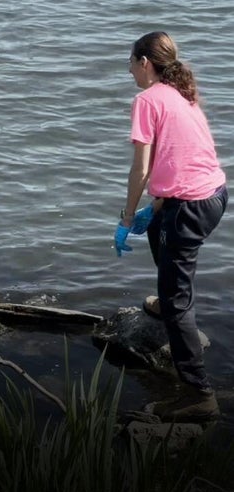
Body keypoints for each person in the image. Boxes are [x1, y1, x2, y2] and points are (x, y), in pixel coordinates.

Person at [114, 31, 227, 422]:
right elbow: (180, 159)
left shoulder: (147, 100)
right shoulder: (181, 93)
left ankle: (199, 394)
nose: (129, 71)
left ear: (145, 63)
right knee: (158, 229)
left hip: (190, 206)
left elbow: (141, 168)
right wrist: (156, 206)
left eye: (131, 63)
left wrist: (127, 217)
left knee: (178, 298)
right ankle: (167, 302)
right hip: (212, 195)